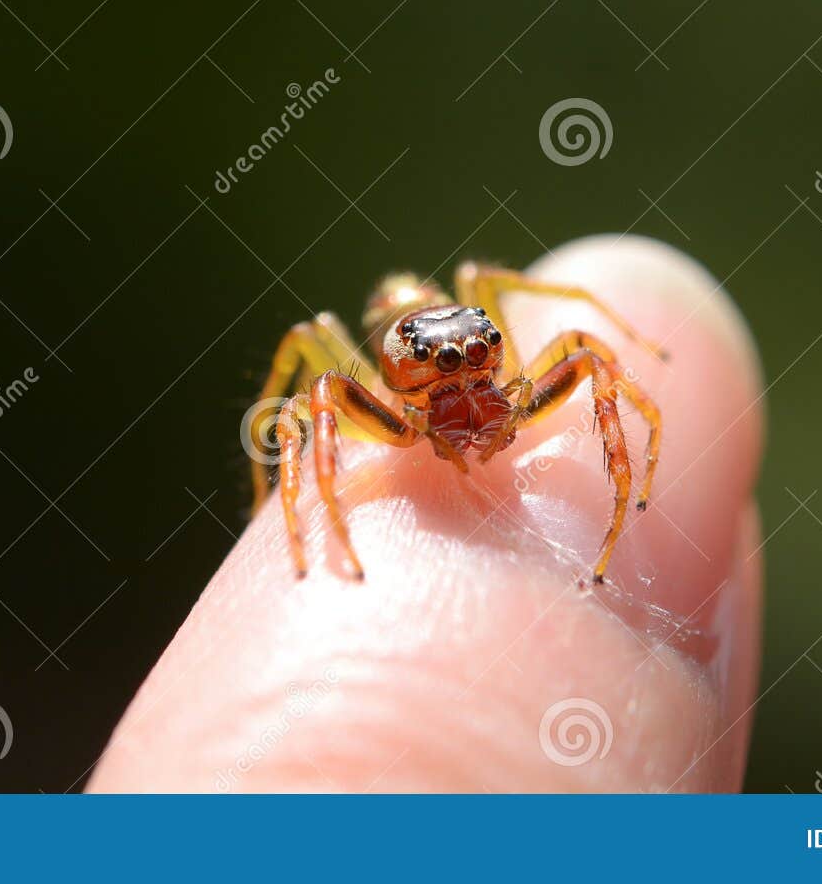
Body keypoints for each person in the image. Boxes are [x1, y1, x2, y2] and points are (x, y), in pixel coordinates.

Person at [89, 235, 764, 791]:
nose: (466, 391)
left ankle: (622, 501)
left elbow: (592, 353)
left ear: (490, 346)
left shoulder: (497, 365)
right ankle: (298, 513)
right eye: (446, 372)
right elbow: (309, 396)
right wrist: (295, 504)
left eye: (479, 362)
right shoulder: (381, 401)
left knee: (587, 352)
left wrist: (629, 470)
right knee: (312, 368)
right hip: (395, 370)